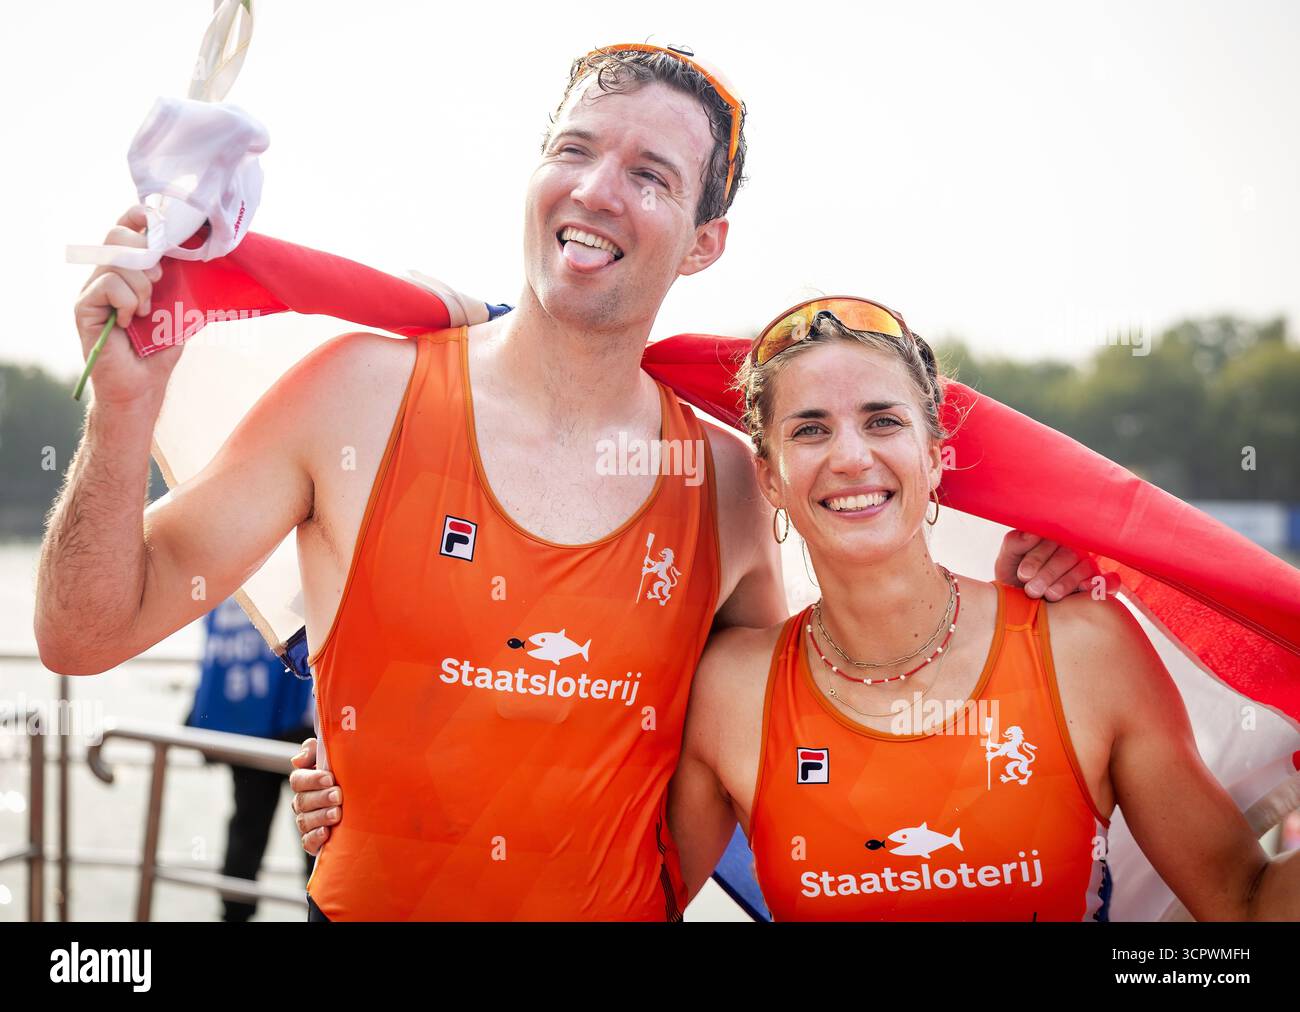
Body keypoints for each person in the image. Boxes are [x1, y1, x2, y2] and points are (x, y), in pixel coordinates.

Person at [37, 45, 1092, 921]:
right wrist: (123, 407)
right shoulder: (357, 397)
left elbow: (804, 721)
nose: (596, 191)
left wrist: (1016, 600)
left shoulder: (722, 477)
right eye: (574, 150)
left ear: (703, 242)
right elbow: (87, 634)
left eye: (650, 174)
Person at [660, 296, 1297, 920]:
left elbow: (1242, 905)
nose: (851, 457)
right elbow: (634, 905)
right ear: (769, 478)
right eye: (810, 429)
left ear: (935, 457)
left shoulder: (1081, 648)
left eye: (883, 421)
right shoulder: (732, 691)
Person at [186, 598, 315, 922]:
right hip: (296, 722)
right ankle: (318, 911)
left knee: (247, 827)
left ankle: (234, 915)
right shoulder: (290, 567)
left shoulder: (231, 573)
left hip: (242, 718)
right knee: (317, 832)